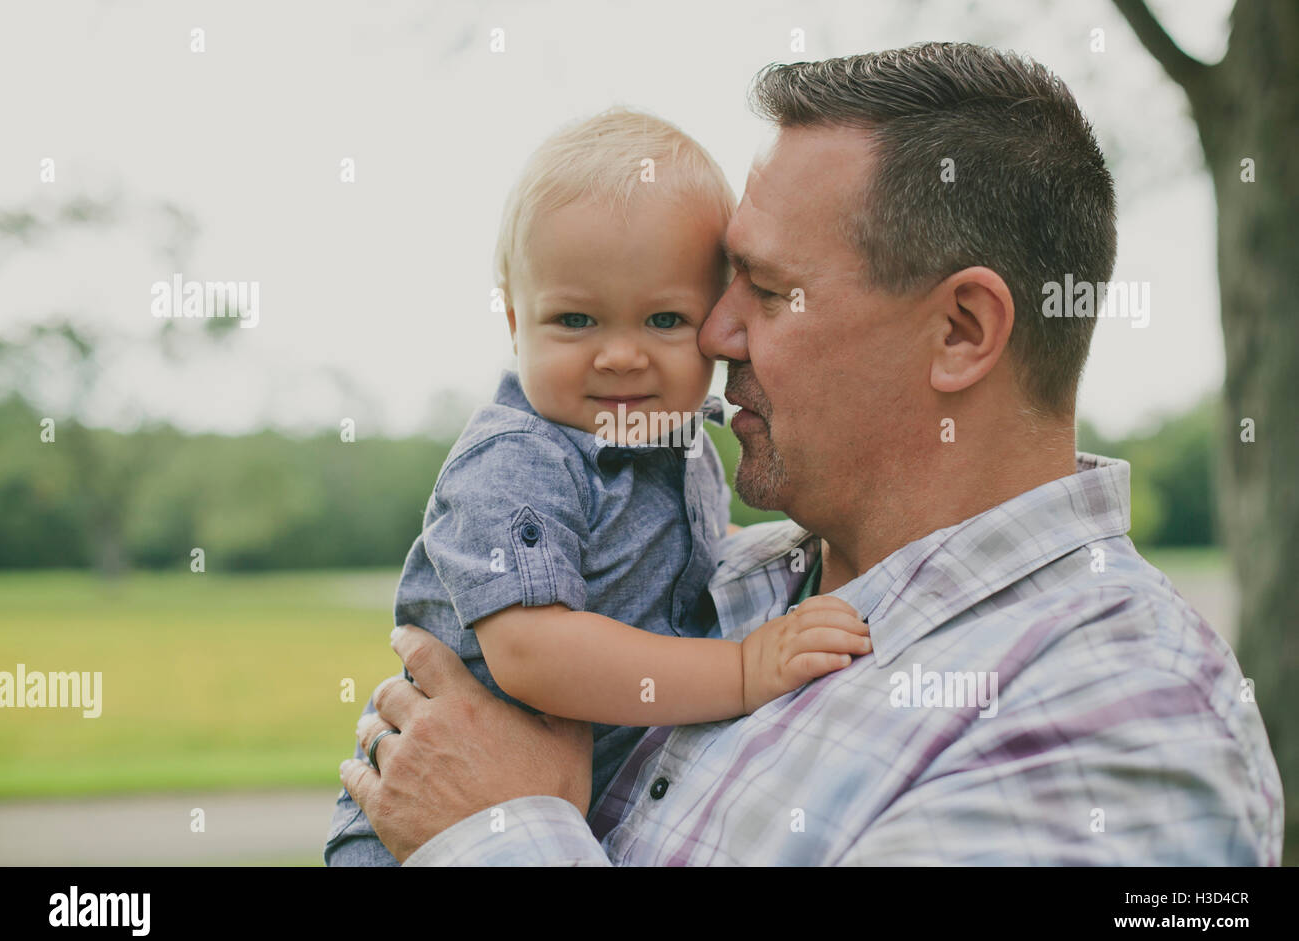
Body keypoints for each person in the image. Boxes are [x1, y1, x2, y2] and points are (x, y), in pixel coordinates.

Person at [339, 43, 1284, 865]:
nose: (712, 332)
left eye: (767, 288)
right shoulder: (723, 571)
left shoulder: (1122, 717)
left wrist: (495, 832)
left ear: (961, 330)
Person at [324, 109, 869, 865]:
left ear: (714, 325)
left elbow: (690, 554)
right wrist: (745, 670)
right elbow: (533, 651)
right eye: (576, 319)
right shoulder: (517, 464)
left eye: (664, 319)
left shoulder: (677, 445)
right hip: (422, 829)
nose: (619, 355)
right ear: (517, 321)